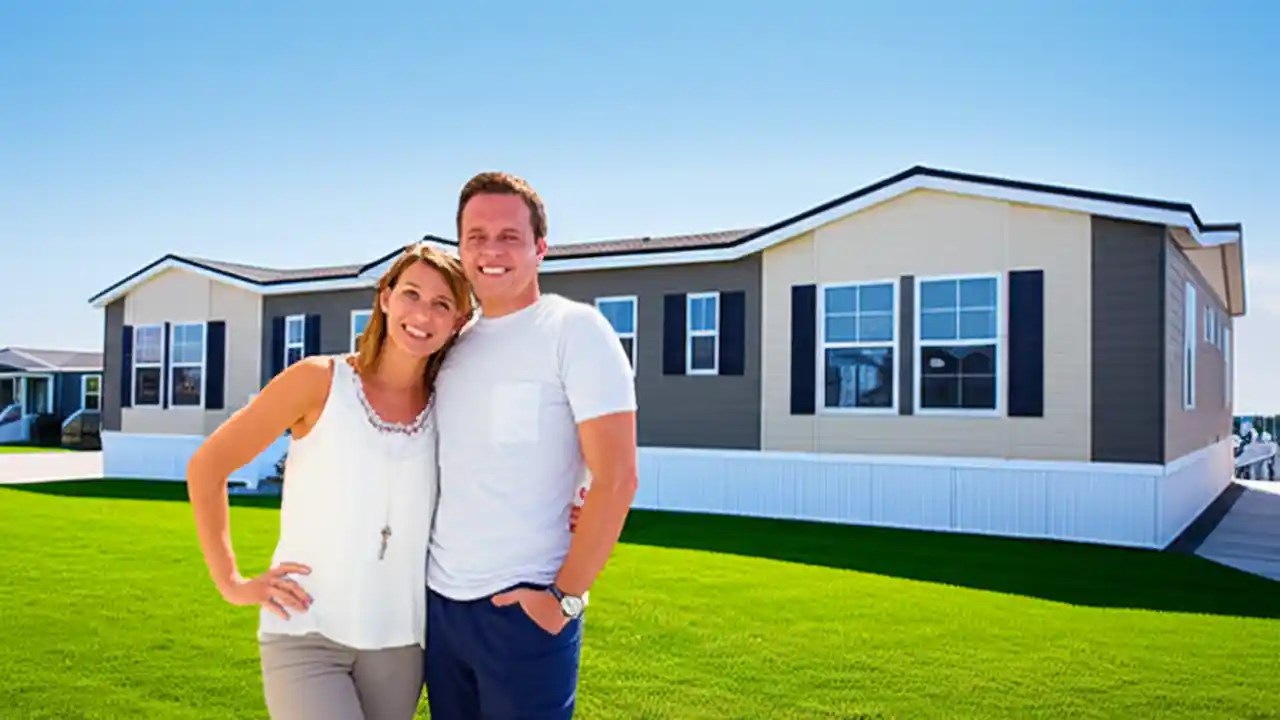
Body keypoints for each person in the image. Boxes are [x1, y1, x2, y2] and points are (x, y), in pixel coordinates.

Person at [186, 243, 472, 720]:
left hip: (400, 645)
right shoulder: (319, 380)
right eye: (411, 294)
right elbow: (208, 466)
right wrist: (232, 583)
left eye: (442, 304)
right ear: (385, 297)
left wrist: (575, 496)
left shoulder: (451, 404)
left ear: (458, 321)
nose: (422, 313)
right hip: (305, 633)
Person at [424, 171, 639, 719]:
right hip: (441, 609)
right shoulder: (452, 344)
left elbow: (617, 477)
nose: (490, 251)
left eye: (509, 237)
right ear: (460, 248)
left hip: (525, 610)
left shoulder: (574, 330)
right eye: (475, 237)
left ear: (540, 248)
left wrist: (562, 600)